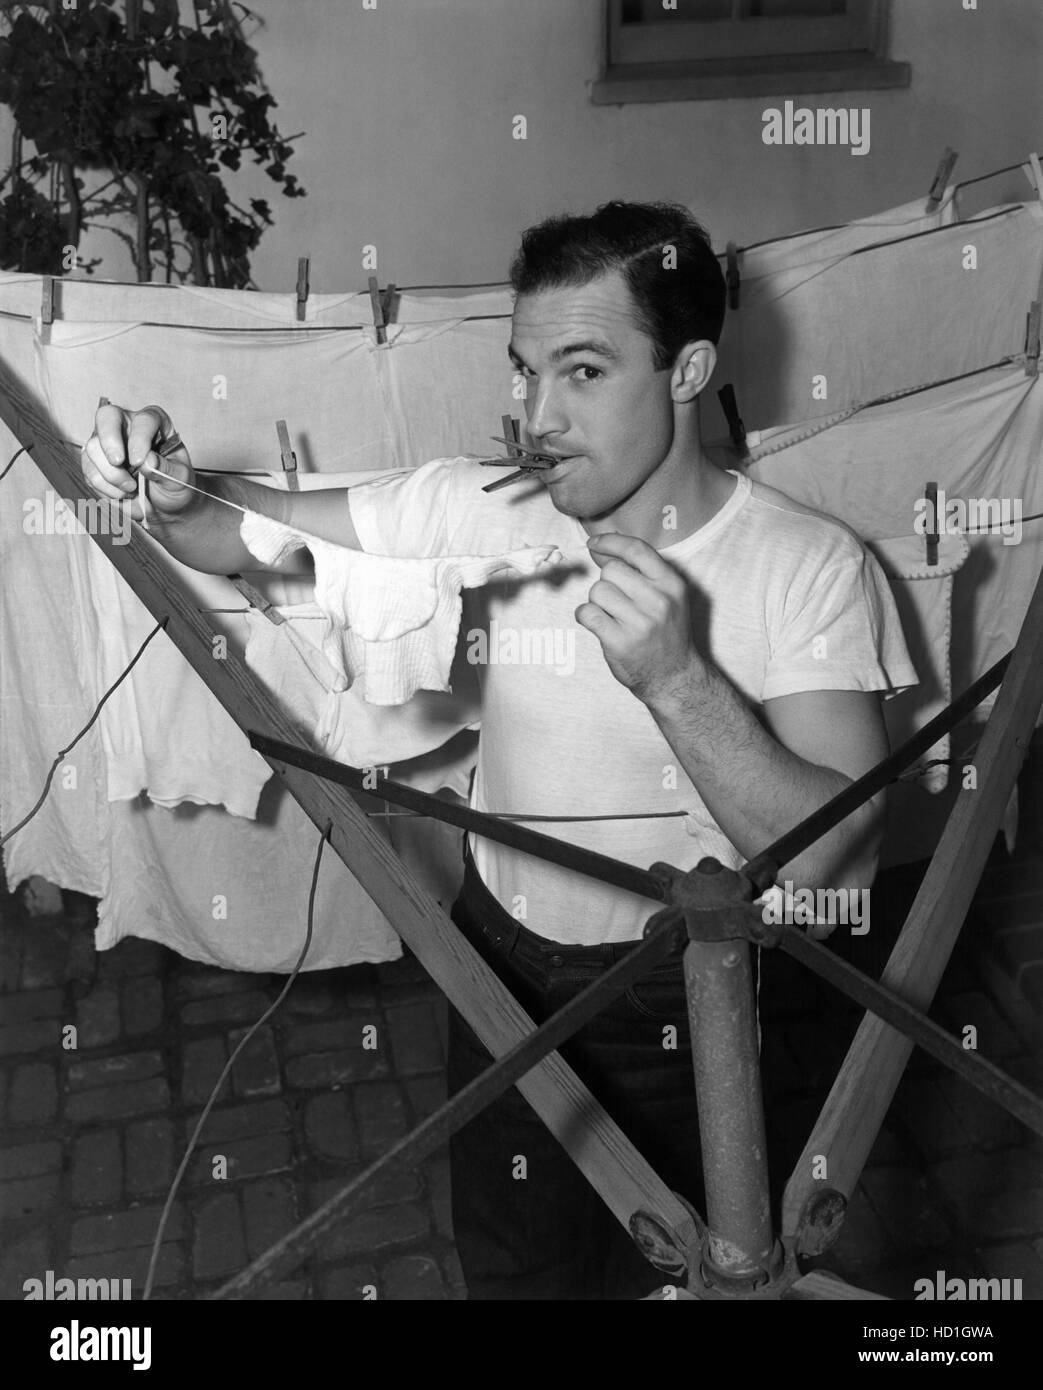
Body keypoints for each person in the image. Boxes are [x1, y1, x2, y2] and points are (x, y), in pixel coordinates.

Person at [79, 201, 917, 1300]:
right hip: (502, 971)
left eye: (581, 372)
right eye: (525, 373)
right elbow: (247, 539)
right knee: (516, 1265)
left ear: (686, 369)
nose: (537, 417)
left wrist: (678, 680)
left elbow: (835, 870)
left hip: (690, 1005)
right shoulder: (488, 505)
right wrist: (163, 484)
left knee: (707, 1275)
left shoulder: (807, 569)